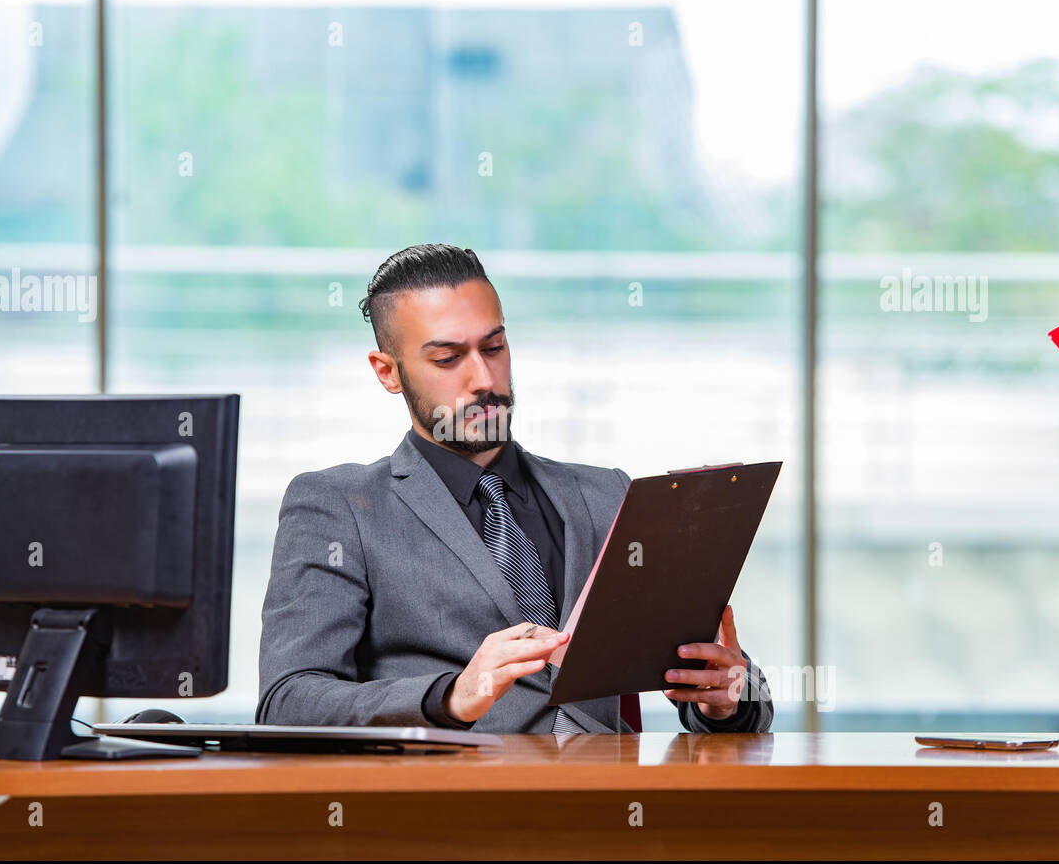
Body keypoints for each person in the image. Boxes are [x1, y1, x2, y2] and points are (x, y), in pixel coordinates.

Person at [257, 243, 774, 734]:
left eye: (494, 346)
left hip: (610, 807)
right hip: (455, 811)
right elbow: (287, 702)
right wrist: (451, 696)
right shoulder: (339, 507)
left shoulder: (607, 495)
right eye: (447, 358)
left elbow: (747, 703)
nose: (484, 378)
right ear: (387, 372)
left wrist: (727, 698)